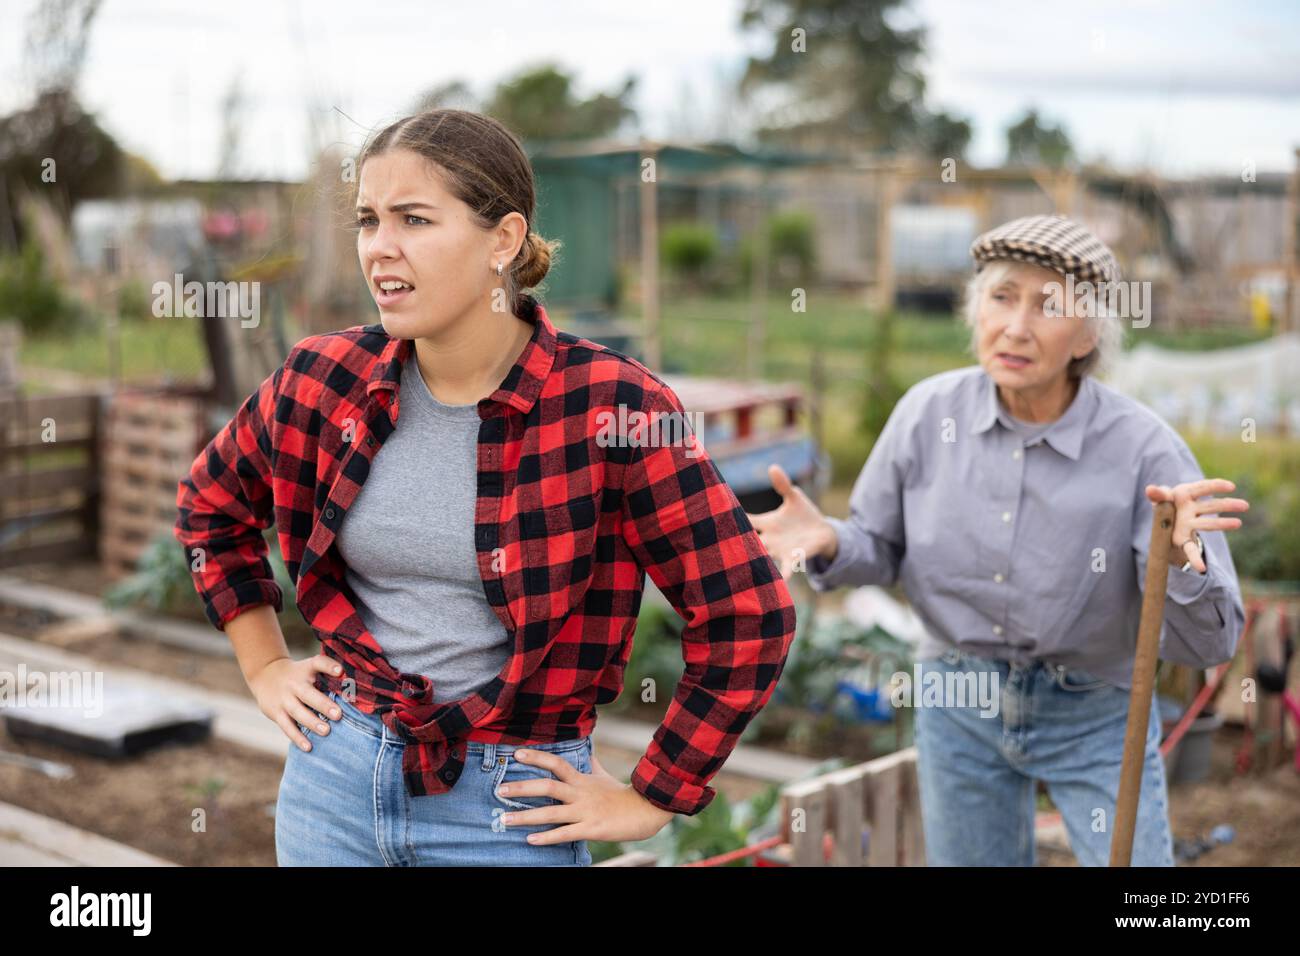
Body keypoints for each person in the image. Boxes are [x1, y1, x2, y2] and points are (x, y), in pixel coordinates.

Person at [175, 108, 796, 866]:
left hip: (511, 808)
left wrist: (654, 796)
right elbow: (210, 507)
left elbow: (746, 610)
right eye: (370, 220)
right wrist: (265, 665)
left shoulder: (613, 409)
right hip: (332, 785)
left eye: (415, 219)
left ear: (502, 240)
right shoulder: (321, 379)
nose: (381, 248)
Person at [749, 214, 1248, 866]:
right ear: (975, 309)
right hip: (959, 701)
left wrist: (1184, 565)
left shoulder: (1145, 451)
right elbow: (878, 545)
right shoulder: (927, 416)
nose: (1016, 325)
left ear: (1089, 334)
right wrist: (830, 540)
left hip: (1096, 710)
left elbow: (1213, 640)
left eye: (1048, 306)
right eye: (1001, 296)